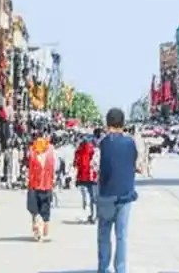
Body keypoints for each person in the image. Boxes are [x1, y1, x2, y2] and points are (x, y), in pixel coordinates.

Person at [96, 108, 140, 273]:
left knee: (104, 235)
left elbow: (103, 168)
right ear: (123, 124)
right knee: (121, 236)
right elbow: (133, 163)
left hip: (107, 194)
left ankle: (104, 267)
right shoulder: (130, 143)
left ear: (108, 124)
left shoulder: (105, 143)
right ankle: (121, 269)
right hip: (126, 195)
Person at [26, 125, 58, 242]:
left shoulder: (31, 150)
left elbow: (27, 165)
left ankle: (37, 230)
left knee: (35, 210)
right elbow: (56, 166)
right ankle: (43, 230)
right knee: (45, 209)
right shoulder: (51, 150)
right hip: (47, 184)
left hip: (34, 185)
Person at [74, 132, 100, 223]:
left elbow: (76, 163)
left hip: (82, 177)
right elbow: (97, 163)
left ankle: (91, 214)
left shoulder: (79, 150)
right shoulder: (94, 150)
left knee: (88, 196)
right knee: (95, 197)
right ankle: (95, 216)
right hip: (93, 176)